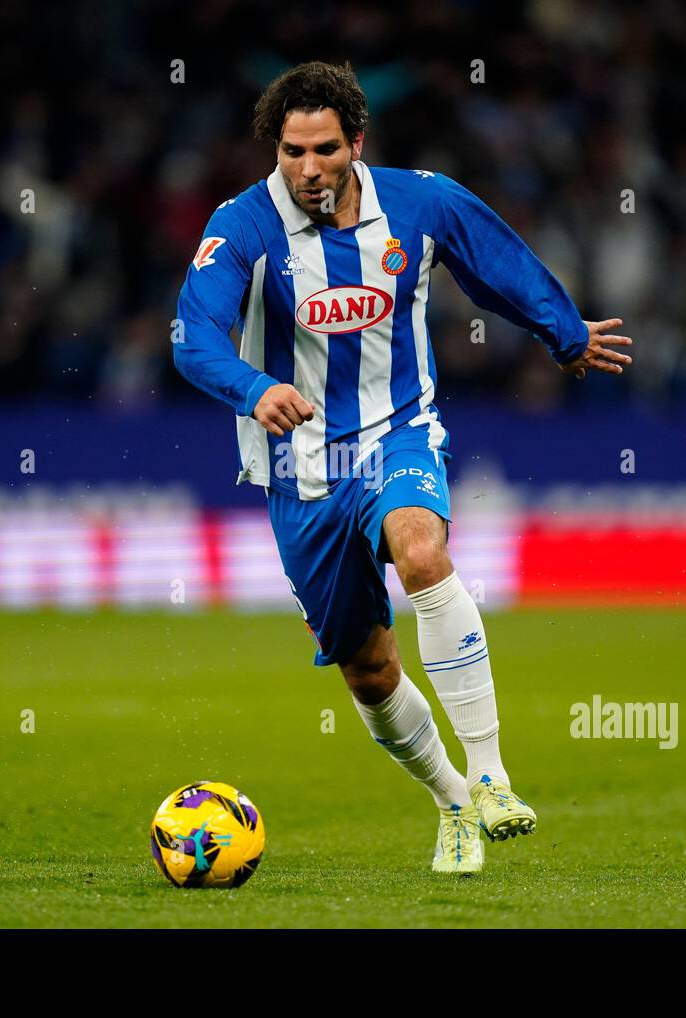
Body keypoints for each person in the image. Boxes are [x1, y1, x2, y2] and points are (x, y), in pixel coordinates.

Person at [173, 61, 632, 873]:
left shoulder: (418, 201)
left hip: (398, 434)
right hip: (301, 469)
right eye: (290, 152)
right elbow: (192, 334)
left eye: (323, 149)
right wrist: (253, 387)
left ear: (357, 141)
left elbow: (498, 261)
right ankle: (452, 799)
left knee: (421, 548)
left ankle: (490, 774)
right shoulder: (241, 226)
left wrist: (564, 331)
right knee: (368, 668)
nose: (307, 169)